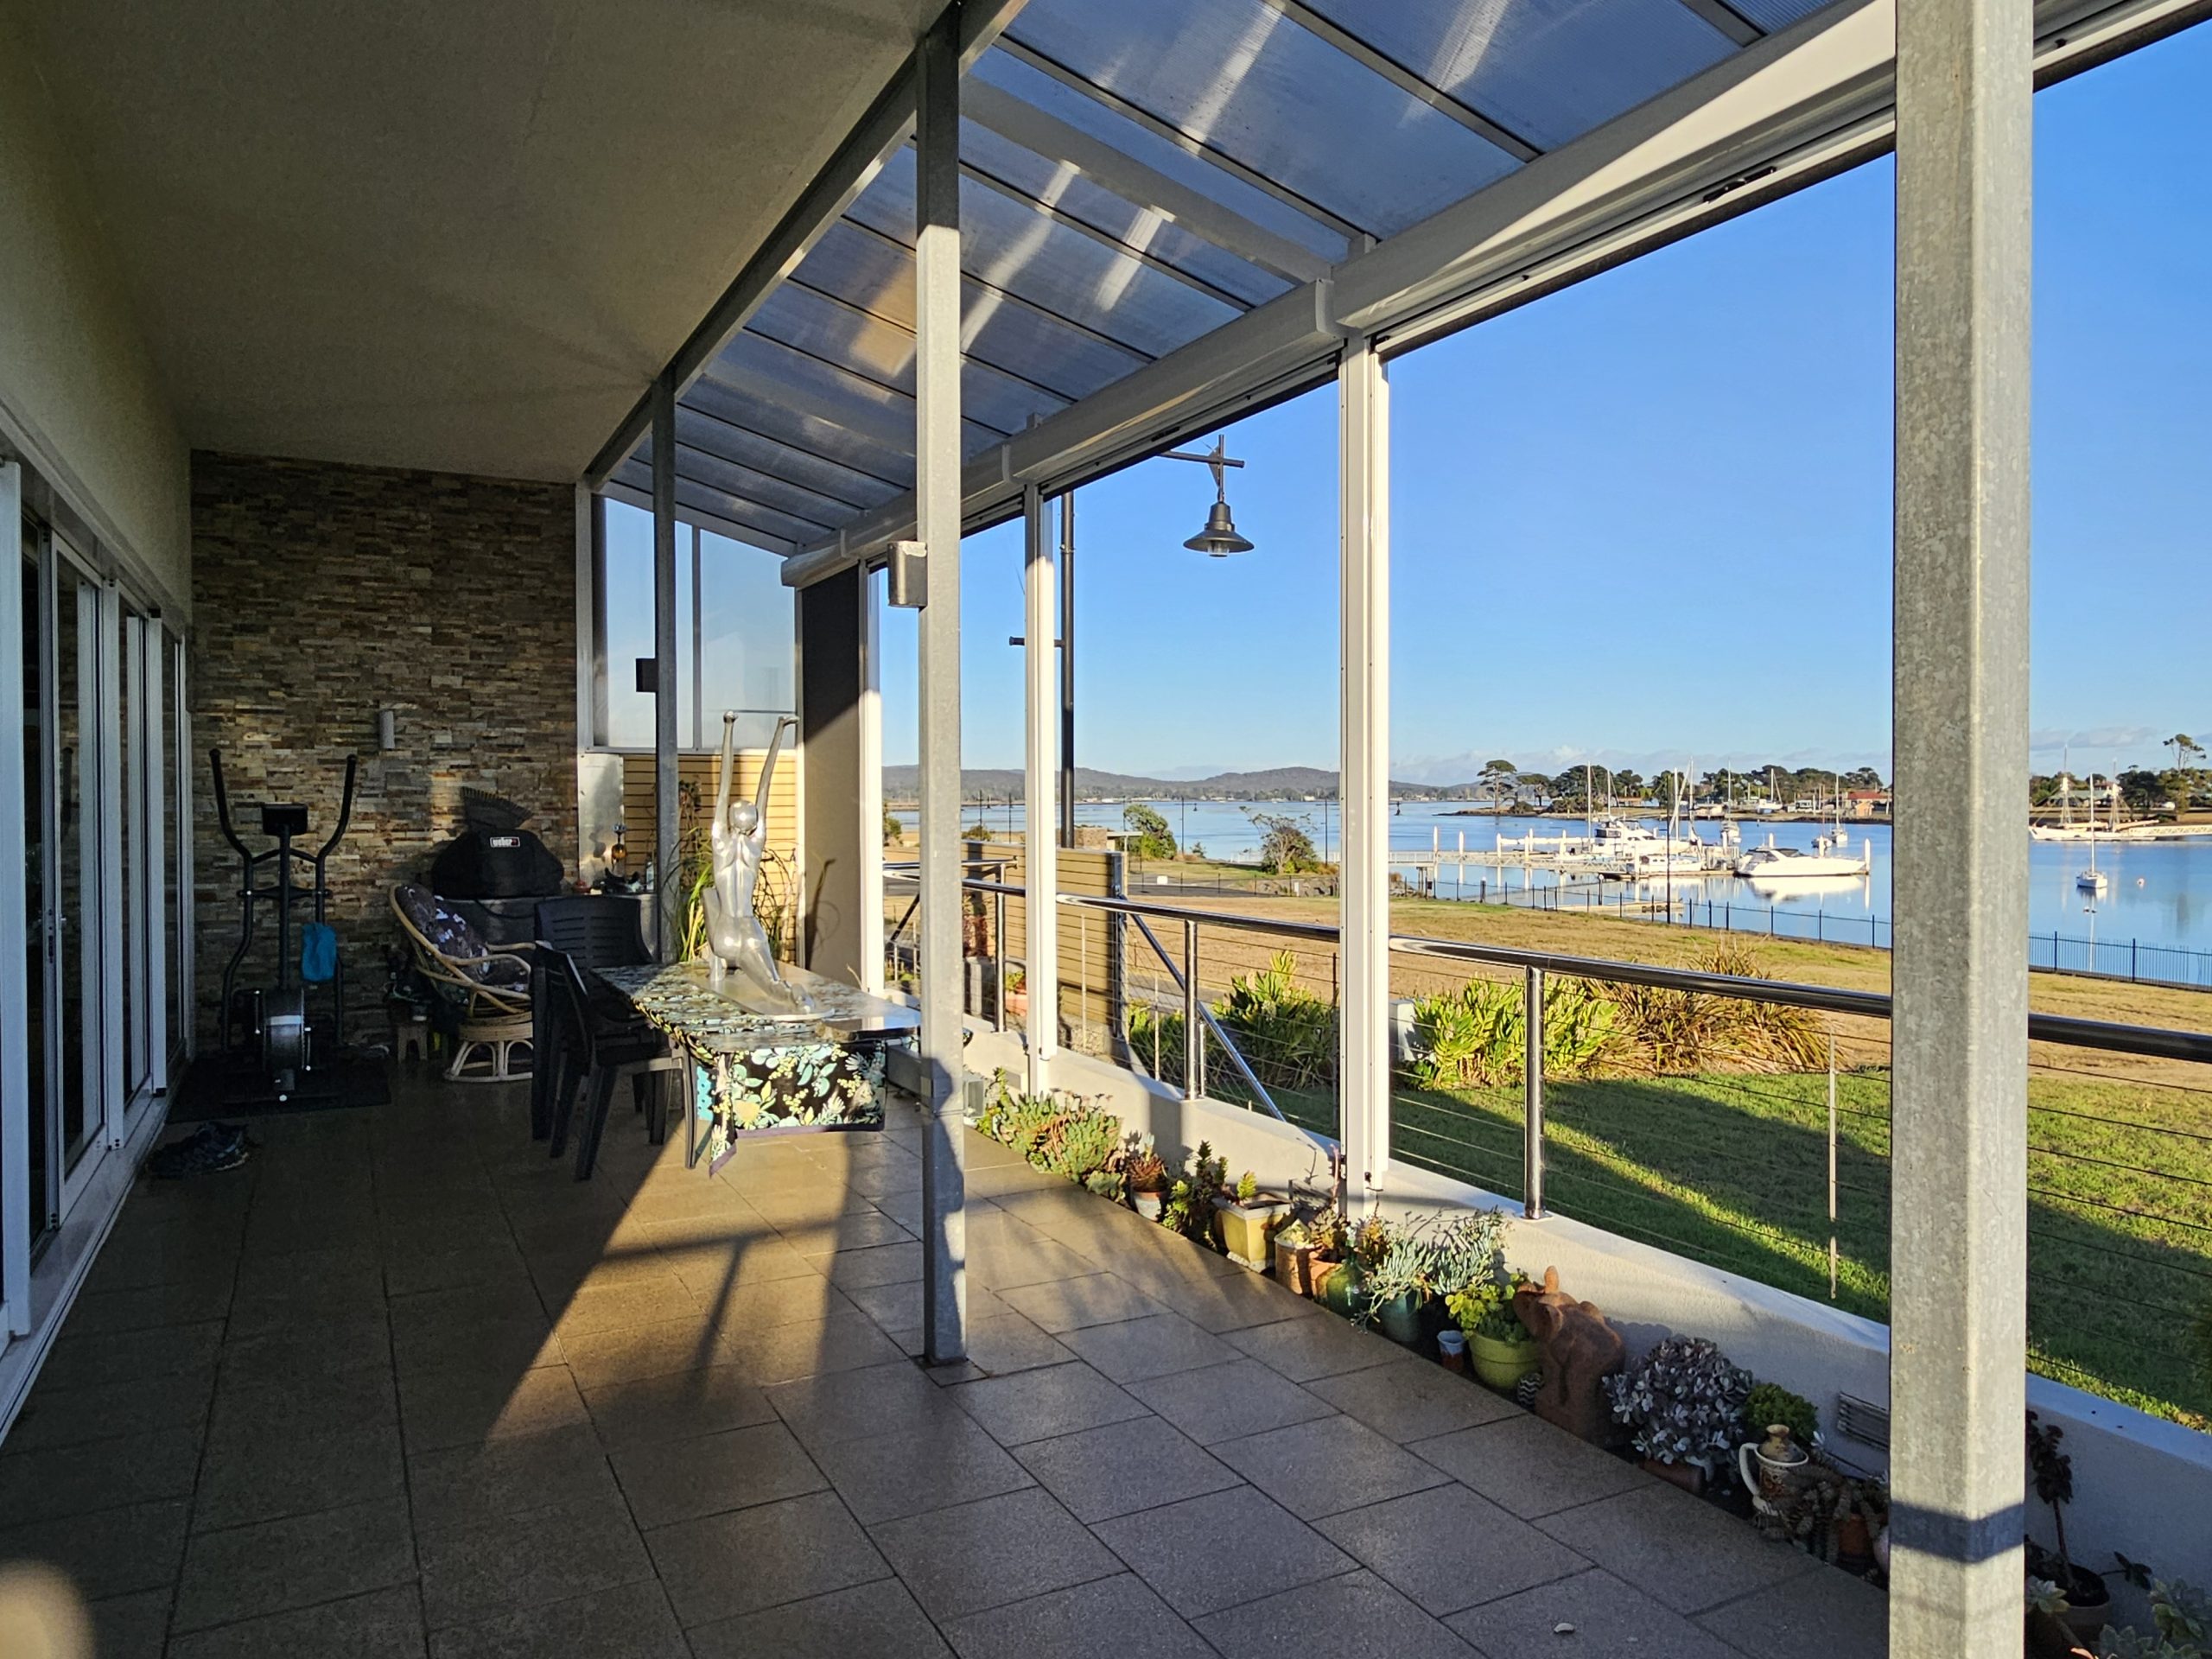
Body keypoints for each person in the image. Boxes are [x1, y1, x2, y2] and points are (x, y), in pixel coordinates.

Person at [702, 711, 811, 1012]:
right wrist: (780, 730)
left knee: (709, 895)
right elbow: (765, 785)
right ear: (753, 823)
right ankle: (793, 997)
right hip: (750, 930)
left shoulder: (721, 843)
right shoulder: (754, 846)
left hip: (724, 933)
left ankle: (716, 965)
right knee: (771, 983)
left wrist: (728, 728)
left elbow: (724, 785)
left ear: (730, 819)